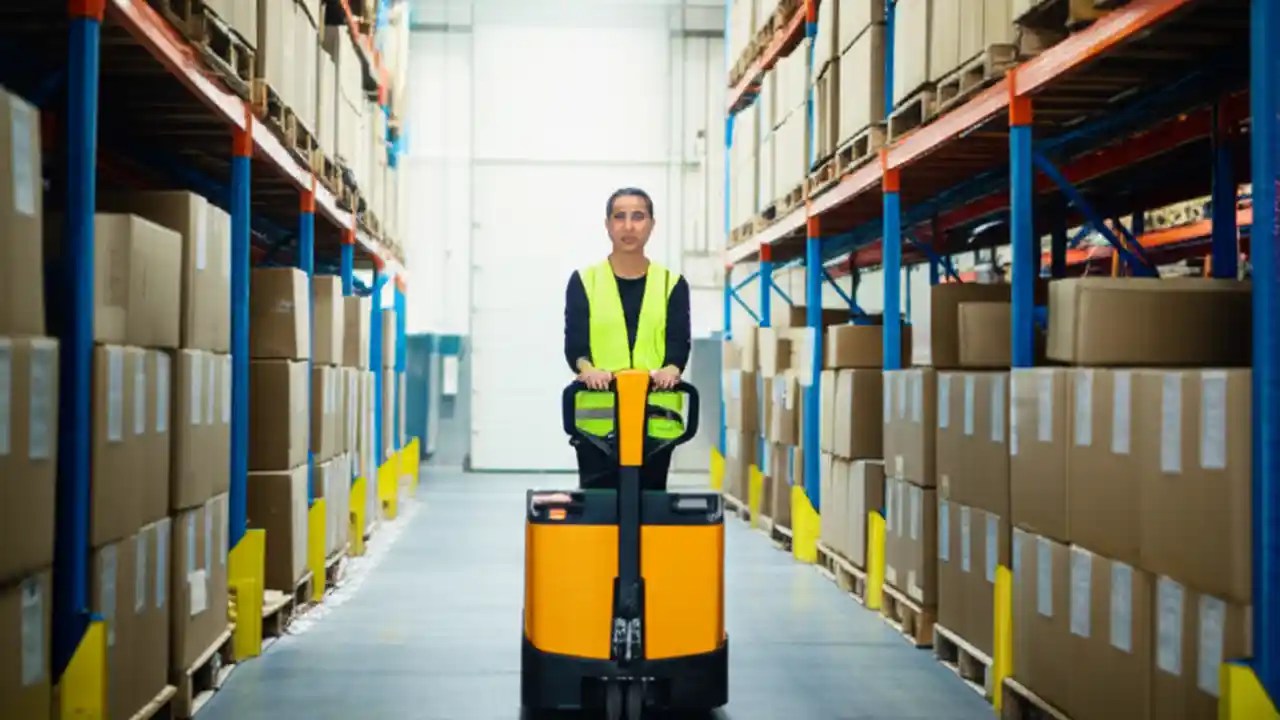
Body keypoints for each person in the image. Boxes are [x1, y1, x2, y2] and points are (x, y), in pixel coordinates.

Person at [563, 187, 691, 491]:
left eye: (638, 217)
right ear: (607, 225)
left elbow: (678, 345)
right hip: (598, 424)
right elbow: (576, 345)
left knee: (649, 508)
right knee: (600, 509)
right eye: (619, 217)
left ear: (651, 225)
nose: (629, 226)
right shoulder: (585, 280)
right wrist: (587, 368)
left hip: (655, 420)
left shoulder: (671, 284)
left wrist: (672, 369)